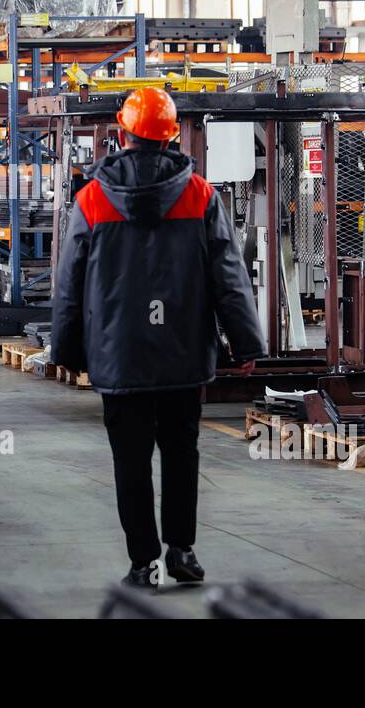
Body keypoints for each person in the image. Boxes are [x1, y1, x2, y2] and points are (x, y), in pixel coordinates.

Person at [51, 88, 265, 587]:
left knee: (129, 459)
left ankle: (141, 562)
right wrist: (246, 344)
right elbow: (229, 277)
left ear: (121, 134)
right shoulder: (201, 196)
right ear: (173, 137)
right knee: (181, 452)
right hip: (182, 353)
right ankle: (182, 552)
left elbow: (70, 284)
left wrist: (64, 350)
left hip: (119, 355)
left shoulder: (91, 200)